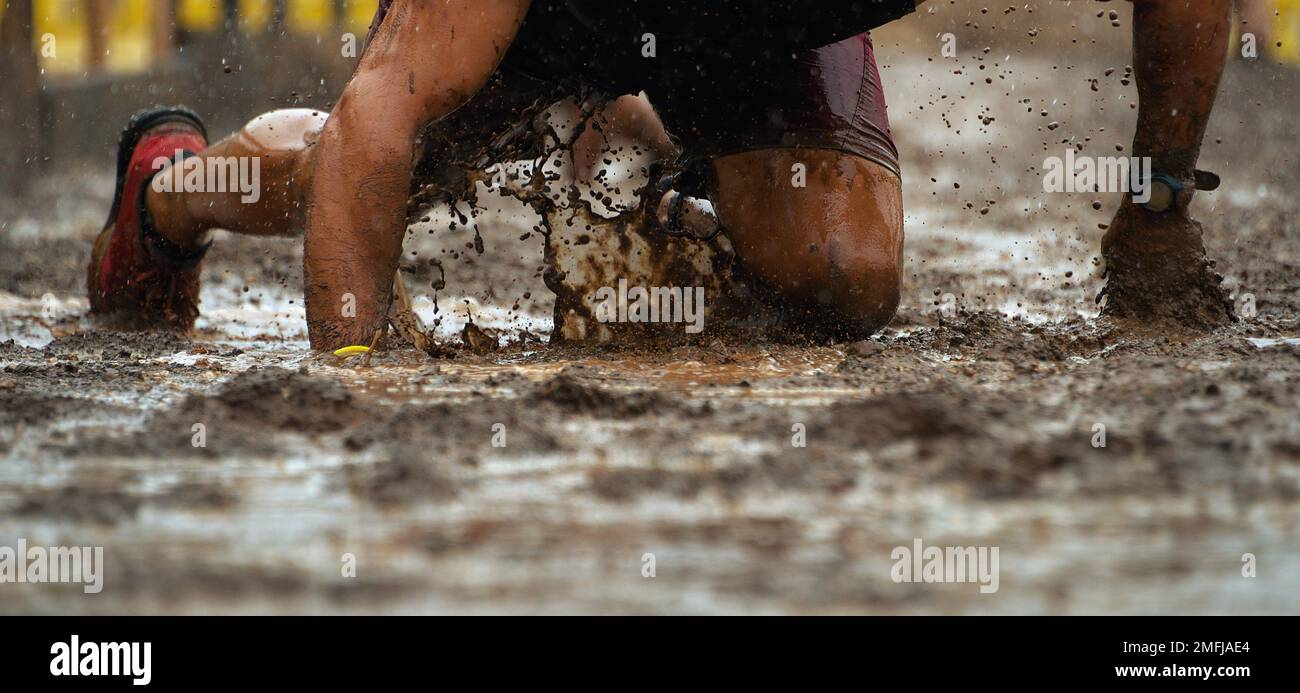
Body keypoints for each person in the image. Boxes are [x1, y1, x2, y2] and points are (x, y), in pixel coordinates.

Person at [87, 0, 1235, 351]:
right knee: (370, 171)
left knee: (840, 280)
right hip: (540, 26)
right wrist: (350, 374)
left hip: (748, 34)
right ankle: (169, 189)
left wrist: (1157, 206)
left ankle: (660, 181)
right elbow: (376, 119)